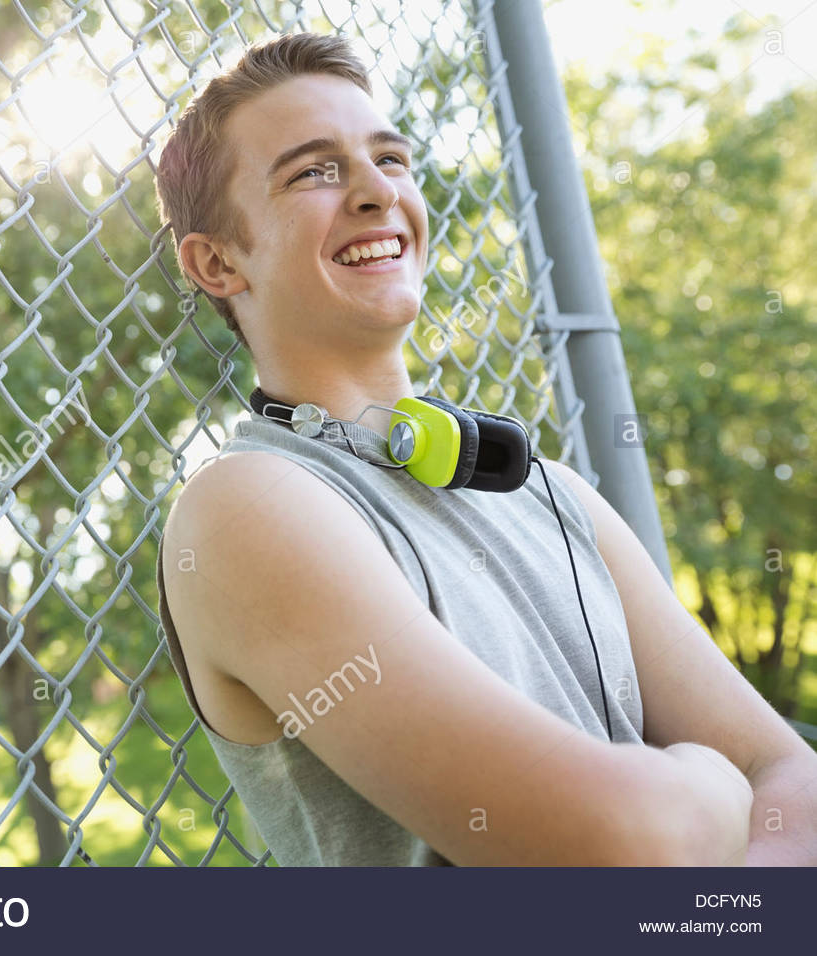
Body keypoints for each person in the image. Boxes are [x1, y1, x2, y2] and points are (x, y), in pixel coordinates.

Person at [152, 32, 817, 866]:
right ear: (216, 262)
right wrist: (712, 782)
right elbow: (625, 842)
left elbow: (790, 773)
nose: (375, 192)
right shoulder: (242, 509)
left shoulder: (546, 487)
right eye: (314, 171)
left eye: (390, 158)